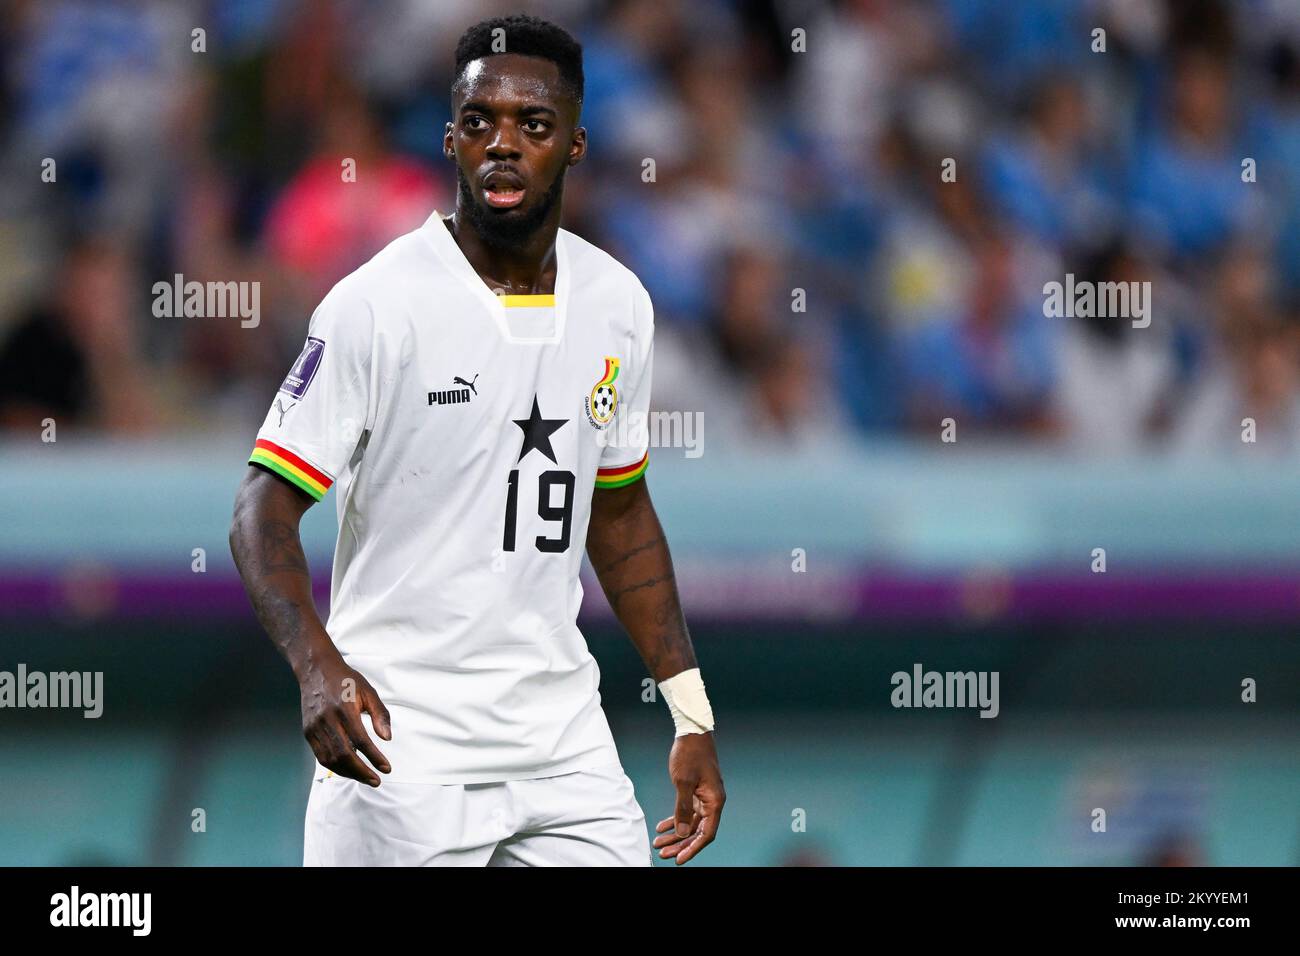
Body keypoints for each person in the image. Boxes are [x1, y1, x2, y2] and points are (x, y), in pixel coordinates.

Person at [228, 14, 724, 866]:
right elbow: (260, 508)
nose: (502, 145)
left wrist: (690, 712)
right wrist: (317, 666)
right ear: (451, 137)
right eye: (478, 122)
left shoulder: (618, 304)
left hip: (562, 741)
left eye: (532, 125)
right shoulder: (376, 306)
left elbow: (621, 513)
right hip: (400, 738)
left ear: (573, 143)